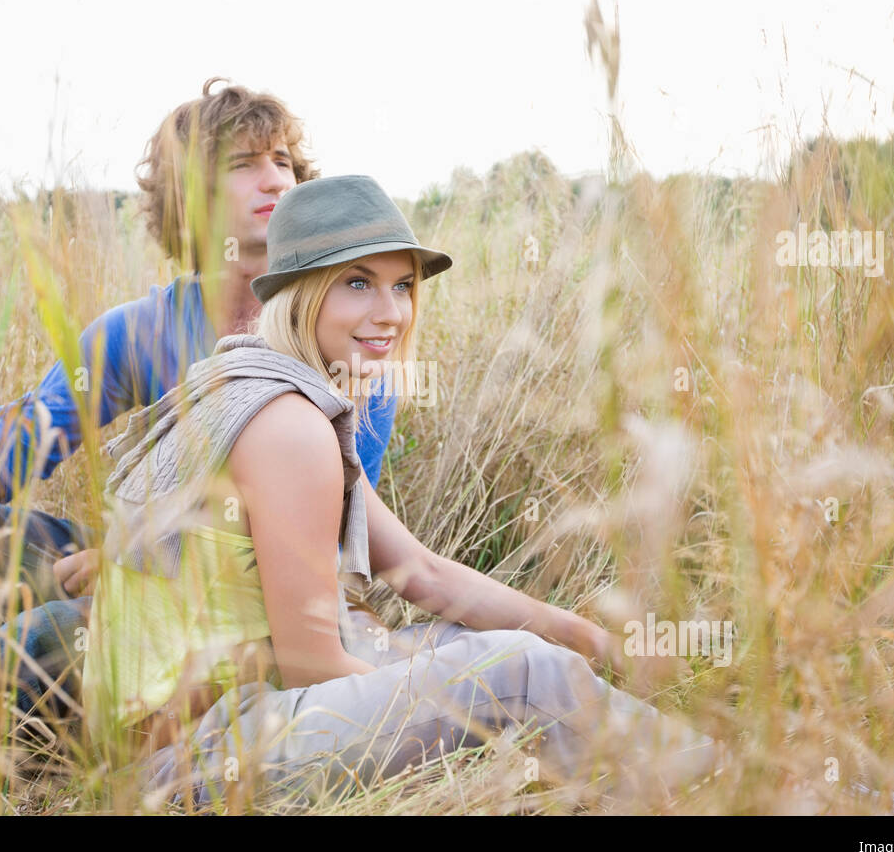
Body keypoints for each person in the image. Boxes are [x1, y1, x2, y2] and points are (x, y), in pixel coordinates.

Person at [82, 174, 723, 811]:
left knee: (472, 647)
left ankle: (659, 765)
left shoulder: (253, 386)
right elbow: (312, 664)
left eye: (404, 285)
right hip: (187, 765)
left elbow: (421, 572)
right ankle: (722, 790)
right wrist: (469, 708)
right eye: (357, 282)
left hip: (218, 719)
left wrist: (593, 640)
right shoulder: (287, 427)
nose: (390, 312)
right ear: (299, 294)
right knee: (520, 673)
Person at [0, 79, 401, 722]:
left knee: (42, 637)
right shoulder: (140, 329)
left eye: (284, 163)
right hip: (127, 564)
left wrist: (128, 564)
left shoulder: (345, 332)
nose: (276, 181)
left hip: (241, 610)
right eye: (244, 165)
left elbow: (322, 547)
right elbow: (6, 452)